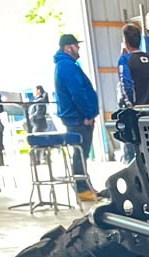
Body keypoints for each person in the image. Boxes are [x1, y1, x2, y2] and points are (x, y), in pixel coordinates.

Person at [53, 32, 99, 200]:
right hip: (78, 119)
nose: (78, 48)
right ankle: (82, 189)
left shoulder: (68, 64)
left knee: (82, 154)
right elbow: (77, 92)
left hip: (78, 117)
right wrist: (87, 114)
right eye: (76, 45)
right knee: (80, 154)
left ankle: (85, 187)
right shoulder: (66, 66)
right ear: (68, 48)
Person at [117, 24, 149, 162]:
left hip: (136, 111)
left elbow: (126, 85)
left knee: (135, 151)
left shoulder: (125, 60)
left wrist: (130, 107)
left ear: (126, 41)